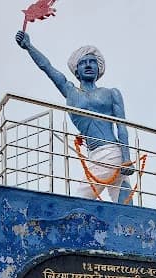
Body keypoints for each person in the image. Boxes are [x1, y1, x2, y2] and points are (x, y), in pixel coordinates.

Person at [16, 31, 134, 204]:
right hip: (94, 154)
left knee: (80, 199)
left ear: (98, 67)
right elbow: (47, 68)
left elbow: (122, 127)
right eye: (83, 62)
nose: (88, 65)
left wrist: (126, 158)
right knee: (123, 196)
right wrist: (29, 46)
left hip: (110, 152)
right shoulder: (71, 92)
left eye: (92, 62)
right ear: (76, 70)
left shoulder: (111, 93)